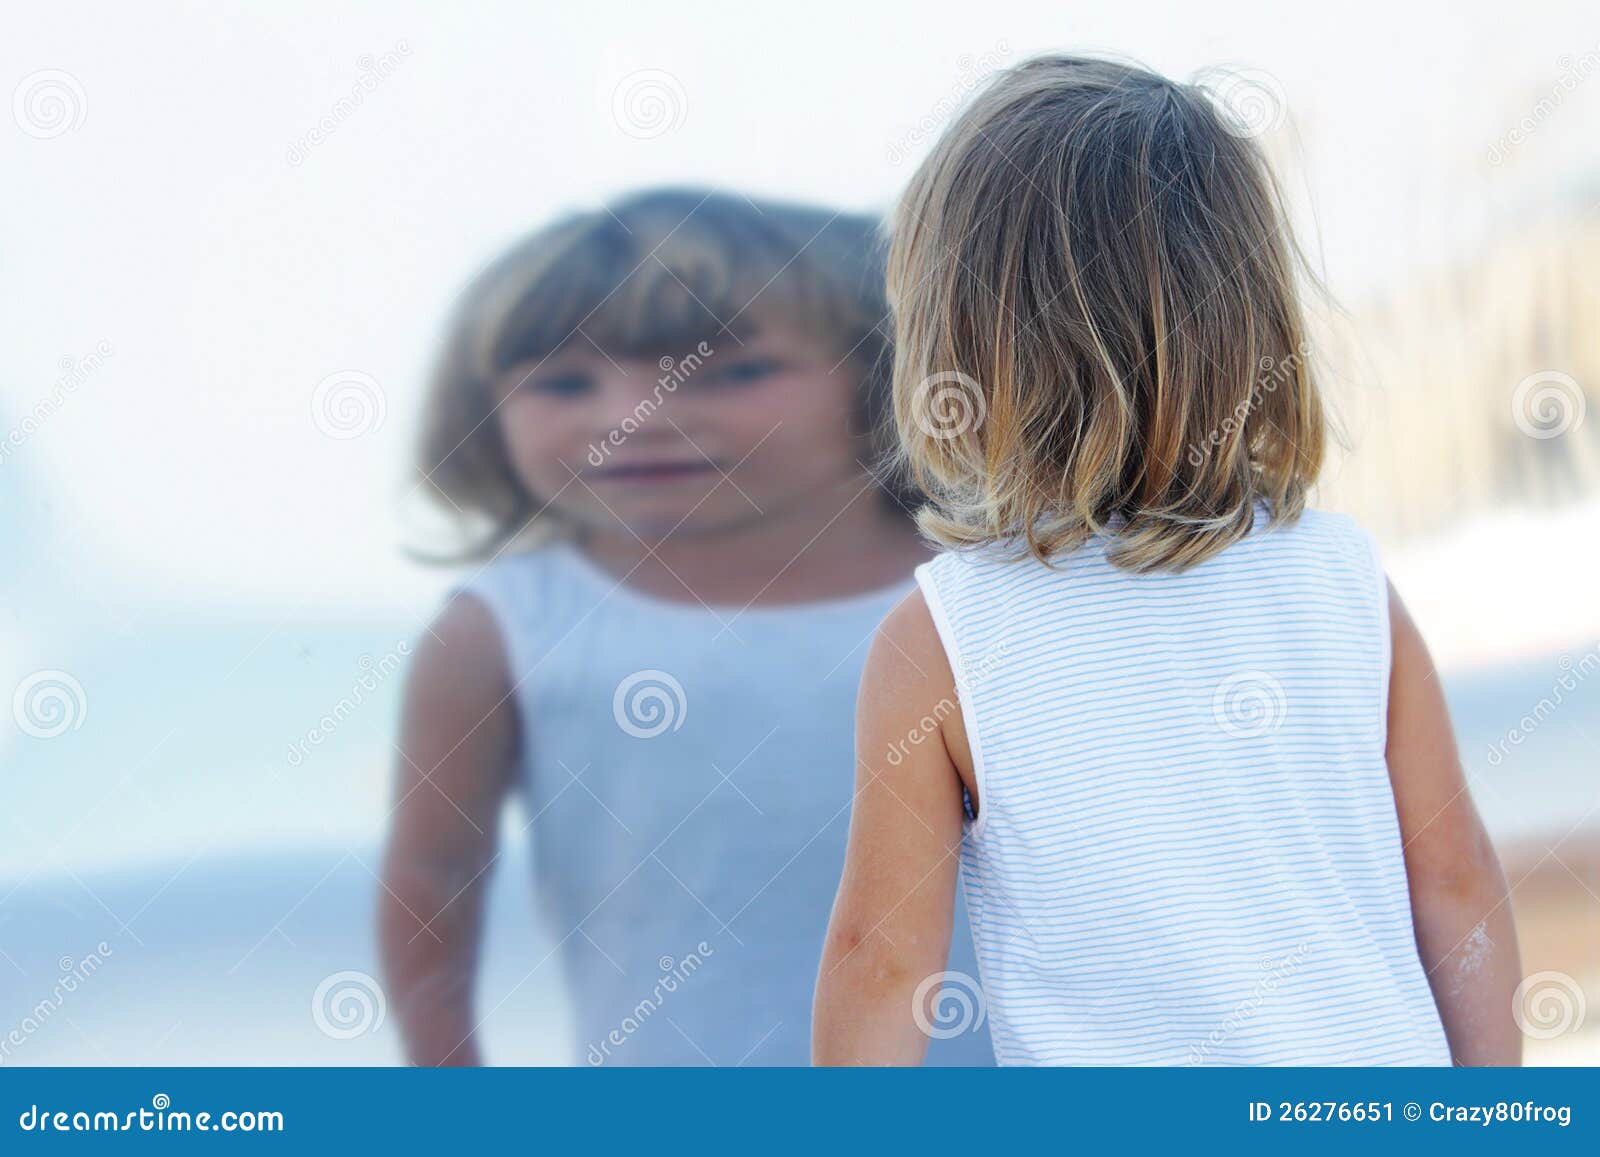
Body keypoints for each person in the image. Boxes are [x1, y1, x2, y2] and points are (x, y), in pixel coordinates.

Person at [813, 56, 1522, 1065]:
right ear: (1250, 318)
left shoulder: (943, 637)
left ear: (952, 338)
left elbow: (881, 963)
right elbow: (1452, 880)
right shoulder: (1341, 579)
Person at [379, 188, 993, 1066]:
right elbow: (431, 879)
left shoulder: (995, 598)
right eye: (563, 380)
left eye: (733, 371)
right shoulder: (502, 630)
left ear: (890, 370)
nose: (637, 414)